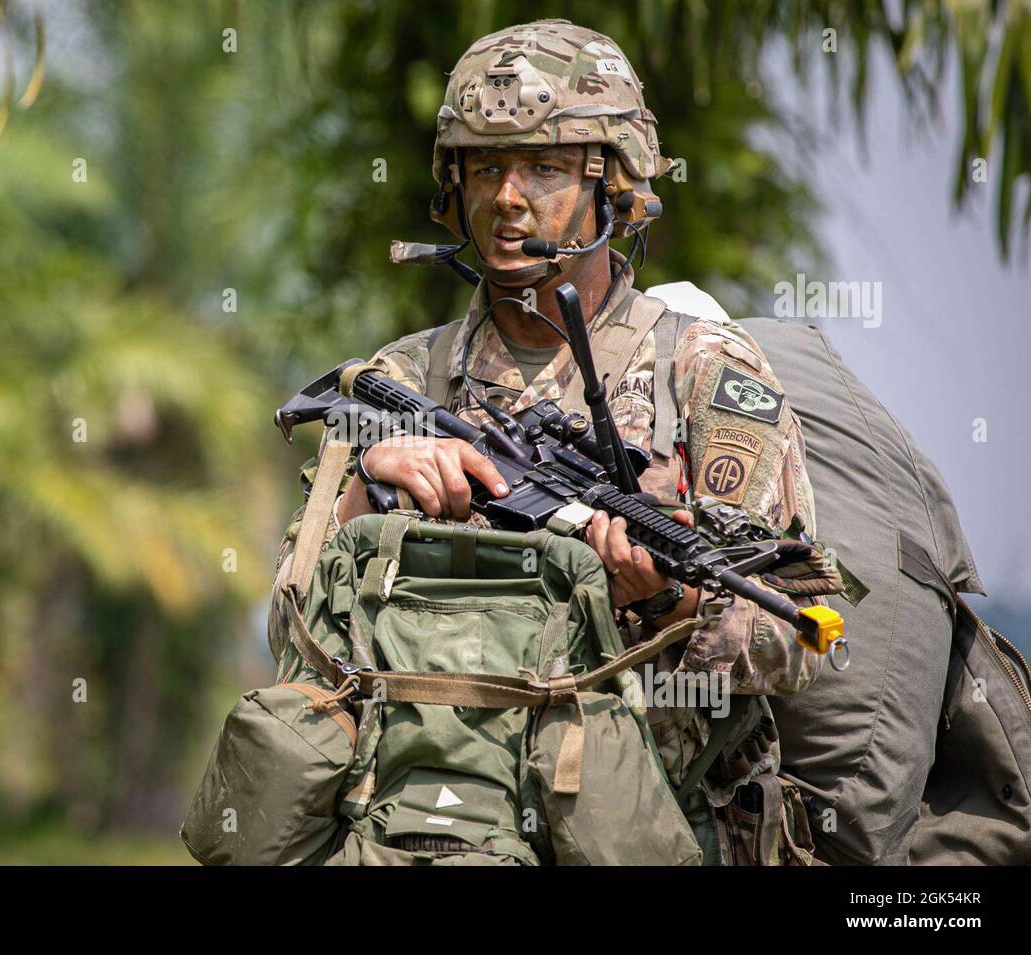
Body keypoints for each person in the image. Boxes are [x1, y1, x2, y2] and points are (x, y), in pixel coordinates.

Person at [271, 18, 829, 864]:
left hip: (642, 826)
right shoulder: (405, 379)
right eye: (486, 166)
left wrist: (661, 600)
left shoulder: (702, 372)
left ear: (612, 185)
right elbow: (292, 641)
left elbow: (800, 642)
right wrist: (364, 497)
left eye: (545, 167)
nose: (507, 197)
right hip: (426, 825)